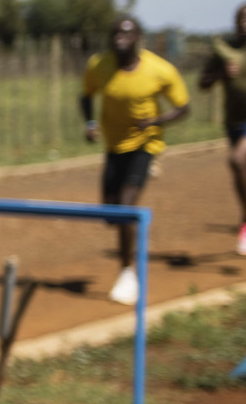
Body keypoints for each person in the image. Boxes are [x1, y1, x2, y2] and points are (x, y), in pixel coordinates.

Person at [81, 16, 190, 304]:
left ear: (138, 37)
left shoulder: (159, 70)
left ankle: (128, 273)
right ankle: (127, 232)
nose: (121, 37)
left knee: (126, 206)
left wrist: (157, 119)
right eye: (116, 32)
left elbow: (183, 107)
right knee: (110, 215)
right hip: (114, 146)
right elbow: (86, 95)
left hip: (145, 144)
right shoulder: (99, 66)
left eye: (127, 33)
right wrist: (90, 123)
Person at [198, 0, 246, 257]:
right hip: (233, 121)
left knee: (237, 160)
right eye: (241, 19)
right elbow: (203, 83)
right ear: (235, 23)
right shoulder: (224, 50)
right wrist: (221, 74)